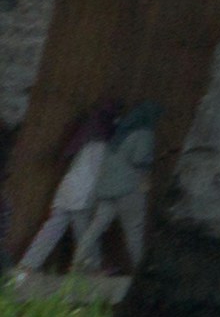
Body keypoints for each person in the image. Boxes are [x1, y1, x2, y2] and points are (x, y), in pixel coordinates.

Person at [13, 101, 147, 278]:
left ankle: (27, 265)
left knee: (51, 229)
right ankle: (91, 269)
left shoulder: (83, 142)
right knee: (85, 233)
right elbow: (99, 175)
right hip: (82, 195)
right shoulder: (102, 147)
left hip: (66, 191)